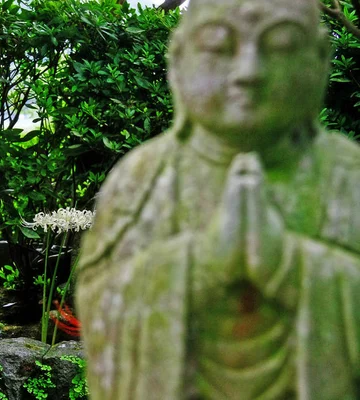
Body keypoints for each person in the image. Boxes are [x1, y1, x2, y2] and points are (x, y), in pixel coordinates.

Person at [76, 0, 360, 398]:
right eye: (218, 47)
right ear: (179, 58)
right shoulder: (142, 178)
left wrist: (289, 267)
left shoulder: (349, 176)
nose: (249, 72)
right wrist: (202, 264)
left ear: (320, 58)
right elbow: (98, 304)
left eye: (279, 46)